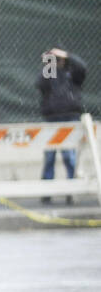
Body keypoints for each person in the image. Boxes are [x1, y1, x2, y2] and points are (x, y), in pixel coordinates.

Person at [38, 46, 87, 201]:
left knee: (69, 156)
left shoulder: (73, 73)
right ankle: (47, 193)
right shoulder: (50, 73)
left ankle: (71, 191)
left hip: (70, 117)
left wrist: (66, 55)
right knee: (50, 157)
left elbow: (82, 67)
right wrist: (48, 63)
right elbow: (41, 84)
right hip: (52, 117)